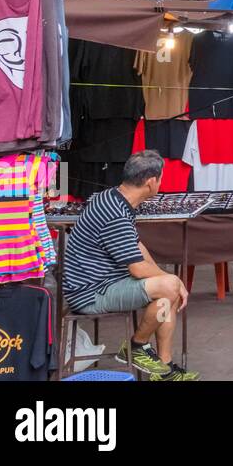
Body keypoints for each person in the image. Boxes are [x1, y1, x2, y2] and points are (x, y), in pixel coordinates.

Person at [62, 150, 198, 381]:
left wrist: (168, 280)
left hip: (105, 283)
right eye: (161, 178)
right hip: (91, 293)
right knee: (170, 287)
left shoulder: (114, 198)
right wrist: (172, 282)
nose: (161, 183)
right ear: (150, 182)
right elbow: (136, 268)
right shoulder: (114, 211)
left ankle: (164, 370)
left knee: (167, 295)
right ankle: (136, 347)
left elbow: (137, 247)